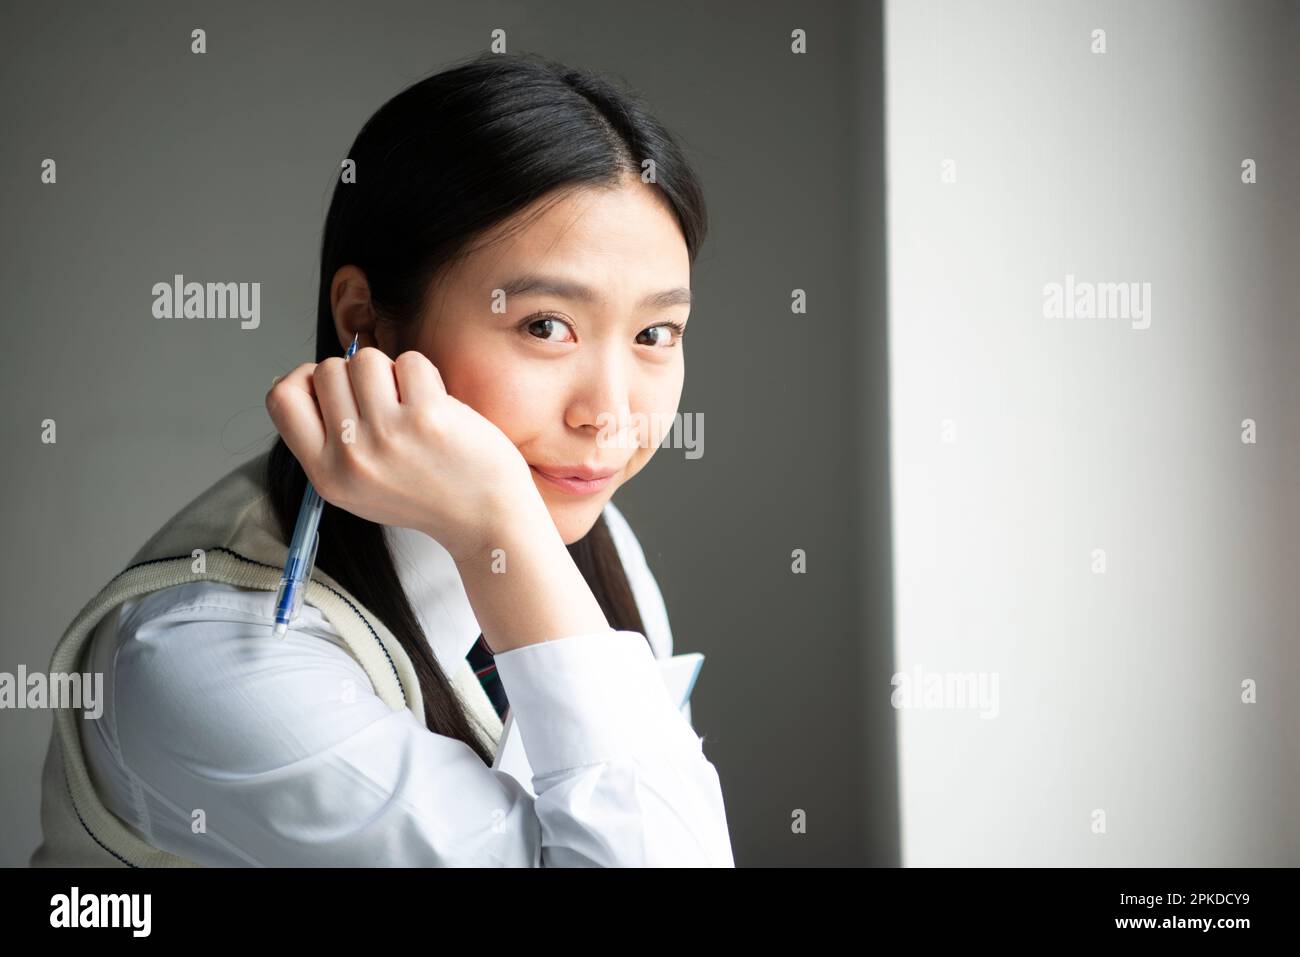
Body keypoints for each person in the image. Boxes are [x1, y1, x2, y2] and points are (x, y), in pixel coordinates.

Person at [29, 50, 733, 867]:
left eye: (655, 334)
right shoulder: (214, 654)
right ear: (368, 320)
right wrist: (498, 525)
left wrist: (508, 539)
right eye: (545, 325)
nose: (608, 416)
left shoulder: (589, 539)